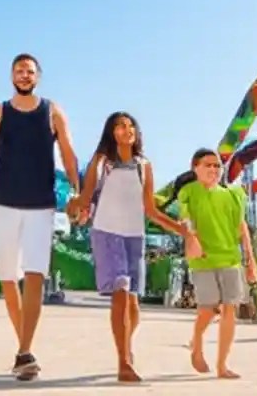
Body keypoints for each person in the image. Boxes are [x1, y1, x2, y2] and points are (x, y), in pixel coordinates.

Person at [0, 53, 81, 381]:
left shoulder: (53, 111)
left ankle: (24, 352)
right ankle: (24, 348)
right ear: (11, 76)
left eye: (29, 71)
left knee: (36, 274)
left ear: (38, 77)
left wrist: (78, 191)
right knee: (9, 278)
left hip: (41, 204)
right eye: (18, 71)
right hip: (4, 204)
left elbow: (68, 152)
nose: (24, 76)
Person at [69, 111, 188, 383]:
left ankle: (126, 346)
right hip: (106, 232)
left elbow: (150, 209)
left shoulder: (143, 165)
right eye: (120, 126)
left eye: (130, 125)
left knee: (134, 307)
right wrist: (74, 206)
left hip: (135, 237)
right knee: (121, 292)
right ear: (111, 133)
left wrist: (180, 229)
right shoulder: (102, 162)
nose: (127, 129)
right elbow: (86, 198)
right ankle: (123, 362)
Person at [178, 148, 257, 379]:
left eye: (217, 166)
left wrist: (250, 259)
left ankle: (222, 365)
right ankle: (198, 343)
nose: (213, 169)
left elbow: (242, 227)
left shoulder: (233, 195)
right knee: (207, 309)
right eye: (207, 165)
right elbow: (185, 219)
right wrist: (191, 239)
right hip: (202, 259)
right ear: (196, 168)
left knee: (230, 309)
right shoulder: (188, 192)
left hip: (230, 258)